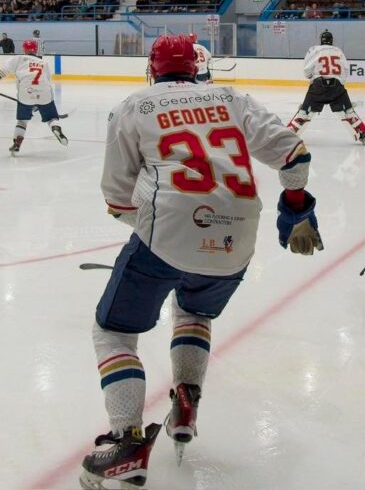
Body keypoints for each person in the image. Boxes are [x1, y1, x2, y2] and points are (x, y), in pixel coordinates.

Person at [79, 34, 320, 488]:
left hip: (166, 233)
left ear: (152, 70)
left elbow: (115, 196)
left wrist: (151, 231)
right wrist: (295, 204)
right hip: (238, 237)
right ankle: (186, 399)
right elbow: (293, 153)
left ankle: (127, 440)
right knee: (194, 311)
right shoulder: (230, 96)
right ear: (197, 67)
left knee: (112, 332)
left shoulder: (135, 106)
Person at [0, 38, 68, 155]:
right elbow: (46, 81)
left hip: (25, 94)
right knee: (51, 118)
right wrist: (38, 101)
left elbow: (2, 71)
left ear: (23, 49)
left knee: (22, 121)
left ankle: (17, 143)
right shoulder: (43, 63)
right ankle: (55, 127)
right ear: (36, 50)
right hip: (44, 93)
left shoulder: (19, 59)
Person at [286, 30, 365, 143]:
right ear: (332, 40)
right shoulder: (338, 50)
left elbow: (307, 71)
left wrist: (313, 77)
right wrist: (339, 83)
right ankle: (360, 132)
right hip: (337, 87)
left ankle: (291, 131)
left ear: (321, 40)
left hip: (318, 87)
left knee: (305, 112)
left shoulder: (314, 50)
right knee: (347, 111)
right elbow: (345, 71)